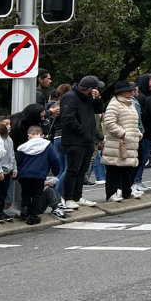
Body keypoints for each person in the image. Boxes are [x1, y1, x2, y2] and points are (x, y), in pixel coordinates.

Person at [58, 75, 104, 208]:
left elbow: (98, 110)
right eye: (95, 88)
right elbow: (68, 118)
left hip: (87, 140)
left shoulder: (88, 98)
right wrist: (82, 131)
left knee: (82, 170)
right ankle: (68, 198)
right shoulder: (70, 97)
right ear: (90, 88)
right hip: (74, 140)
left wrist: (97, 99)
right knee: (73, 170)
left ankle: (77, 196)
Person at [101, 80, 142, 202]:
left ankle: (126, 191)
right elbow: (109, 123)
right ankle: (111, 193)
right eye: (129, 90)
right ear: (121, 92)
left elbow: (134, 122)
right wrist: (123, 133)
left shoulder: (131, 103)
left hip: (130, 141)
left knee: (128, 168)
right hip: (118, 142)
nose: (132, 92)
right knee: (114, 167)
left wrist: (138, 133)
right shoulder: (114, 104)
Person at [15, 125, 63, 225]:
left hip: (24, 174)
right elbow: (53, 158)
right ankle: (33, 215)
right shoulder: (47, 145)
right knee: (37, 194)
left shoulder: (22, 147)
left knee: (26, 193)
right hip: (39, 174)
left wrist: (17, 172)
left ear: (29, 135)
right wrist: (56, 171)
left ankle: (24, 209)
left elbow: (18, 161)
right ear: (42, 135)